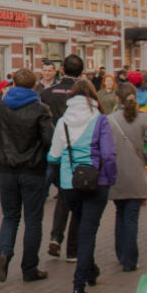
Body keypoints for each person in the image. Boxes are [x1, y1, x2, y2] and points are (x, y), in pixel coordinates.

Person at [47, 78, 117, 293]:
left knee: (82, 226)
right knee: (88, 232)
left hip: (70, 185)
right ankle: (79, 285)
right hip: (97, 182)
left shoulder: (62, 122)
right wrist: (110, 177)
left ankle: (91, 269)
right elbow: (108, 155)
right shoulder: (100, 120)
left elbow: (54, 156)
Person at [0, 68, 54, 283]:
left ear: (14, 84)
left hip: (6, 168)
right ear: (34, 85)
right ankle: (30, 268)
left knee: (10, 216)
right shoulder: (40, 108)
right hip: (33, 169)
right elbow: (48, 140)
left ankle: (4, 252)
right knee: (33, 219)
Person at [108, 82, 147, 272]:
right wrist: (145, 160)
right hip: (137, 175)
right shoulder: (143, 119)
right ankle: (130, 260)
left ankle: (121, 254)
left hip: (116, 175)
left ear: (117, 98)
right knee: (131, 218)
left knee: (120, 214)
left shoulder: (110, 119)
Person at [43, 52, 85, 260]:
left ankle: (55, 237)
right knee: (77, 199)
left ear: (61, 70)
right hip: (79, 152)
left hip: (54, 150)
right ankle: (73, 250)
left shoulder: (48, 92)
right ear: (82, 72)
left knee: (63, 196)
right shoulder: (83, 93)